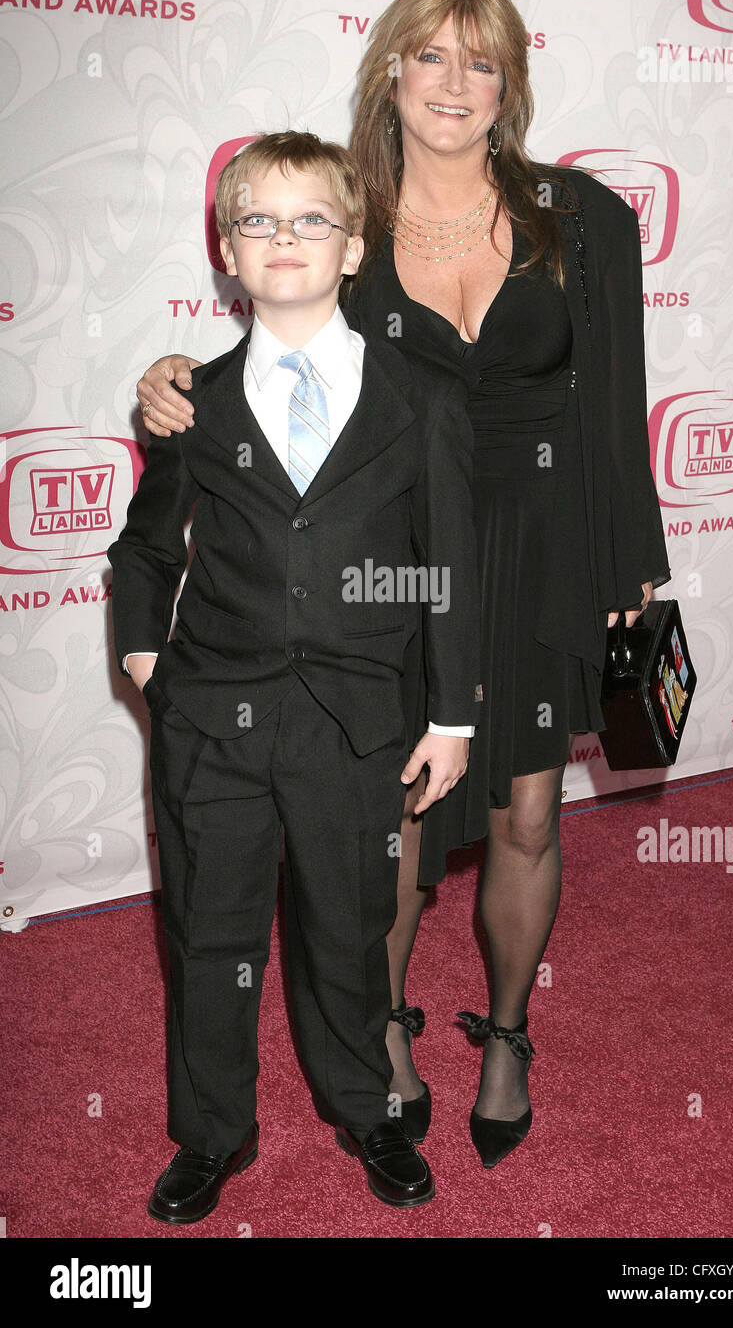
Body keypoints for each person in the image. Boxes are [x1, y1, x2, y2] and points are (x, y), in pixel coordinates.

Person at [135, 0, 671, 1171]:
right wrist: (170, 373)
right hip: (392, 565)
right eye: (431, 55)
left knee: (531, 809)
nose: (455, 85)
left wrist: (633, 560)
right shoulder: (348, 213)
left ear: (510, 85)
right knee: (400, 823)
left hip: (539, 548)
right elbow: (267, 346)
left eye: (483, 63)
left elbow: (620, 401)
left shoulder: (582, 219)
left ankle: (510, 1035)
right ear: (391, 66)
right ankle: (380, 1028)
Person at [109, 130, 482, 1220]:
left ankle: (366, 1107)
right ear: (228, 249)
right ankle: (213, 1132)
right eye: (258, 220)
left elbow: (447, 565)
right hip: (213, 725)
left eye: (311, 218)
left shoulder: (423, 398)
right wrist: (150, 669)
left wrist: (454, 715)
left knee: (347, 927)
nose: (285, 238)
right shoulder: (194, 399)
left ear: (353, 245)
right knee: (209, 934)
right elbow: (144, 549)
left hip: (357, 726)